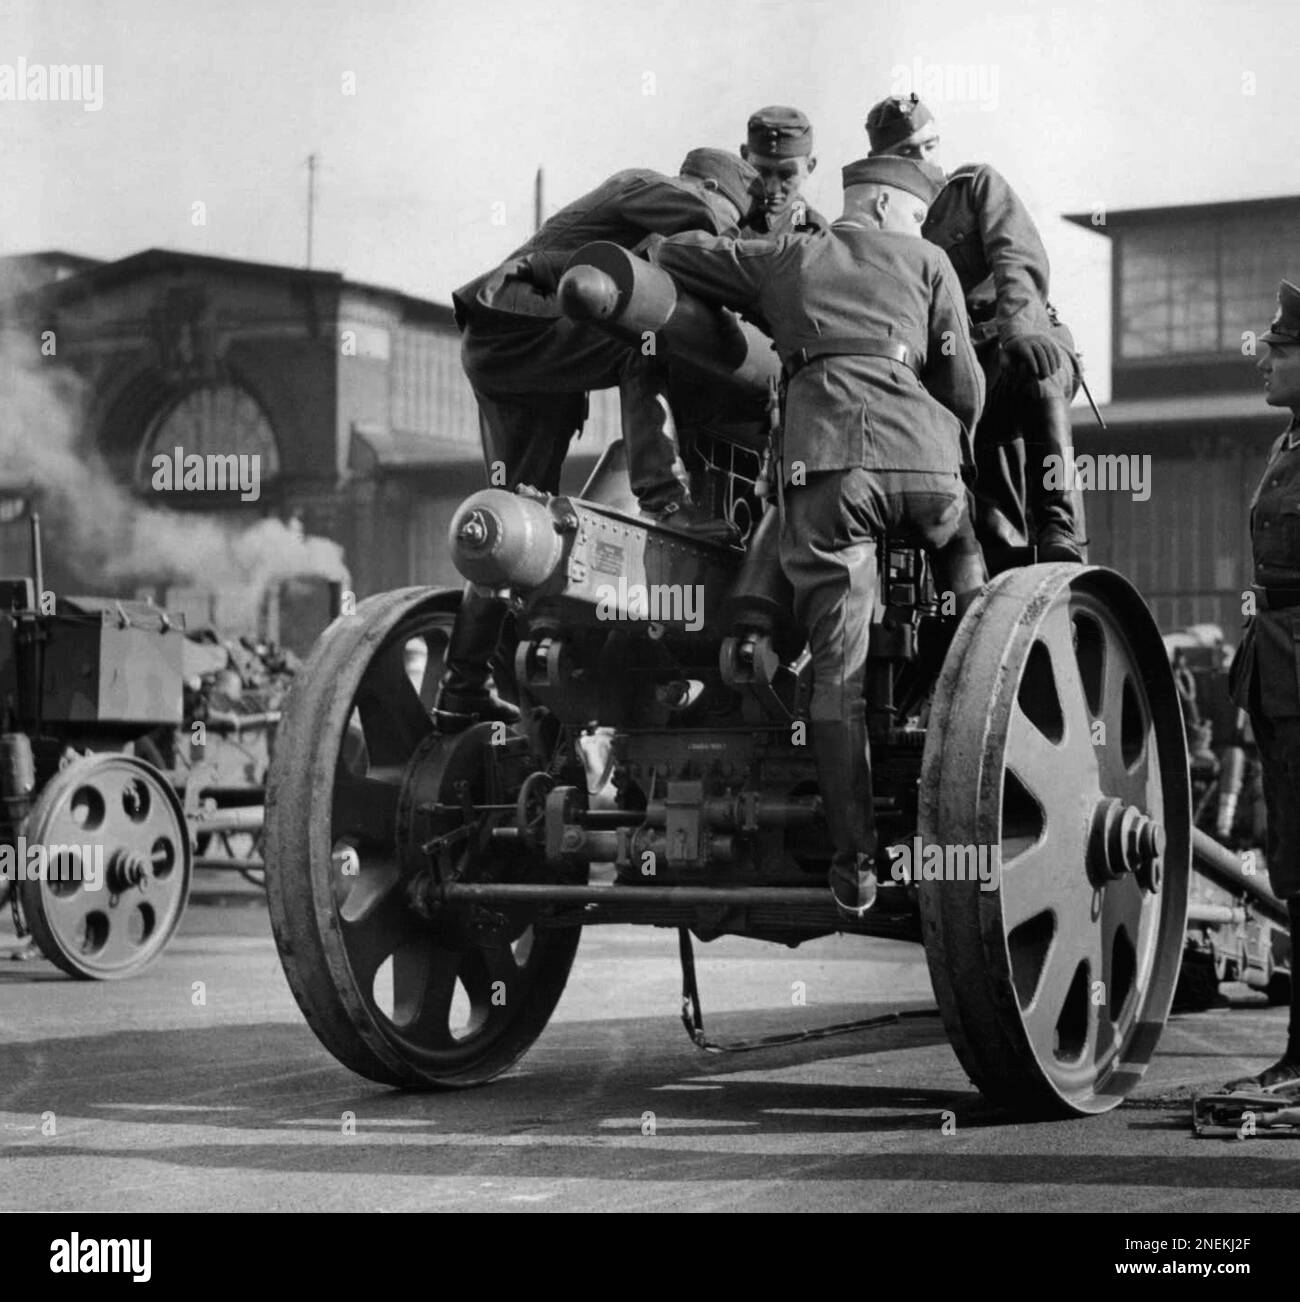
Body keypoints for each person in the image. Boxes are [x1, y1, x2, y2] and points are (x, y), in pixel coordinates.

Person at [651, 155, 985, 916]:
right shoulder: (931, 261)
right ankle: (972, 688)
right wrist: (945, 445)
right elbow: (963, 383)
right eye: (913, 213)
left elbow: (684, 257)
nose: (919, 227)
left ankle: (855, 862)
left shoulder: (794, 256)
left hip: (829, 471)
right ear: (886, 207)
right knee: (964, 555)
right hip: (926, 465)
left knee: (838, 676)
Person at [436, 149, 757, 731]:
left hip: (504, 352)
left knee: (512, 524)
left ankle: (462, 688)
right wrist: (761, 242)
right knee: (644, 339)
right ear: (708, 182)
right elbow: (708, 215)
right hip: (523, 320)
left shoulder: (633, 213)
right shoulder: (644, 185)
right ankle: (666, 500)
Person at [865, 93, 1087, 568]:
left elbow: (1016, 257)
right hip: (948, 387)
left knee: (1041, 370)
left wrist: (1023, 328)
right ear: (881, 162)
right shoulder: (884, 224)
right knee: (991, 535)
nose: (925, 162)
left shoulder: (973, 187)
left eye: (930, 146)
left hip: (1006, 357)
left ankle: (1059, 526)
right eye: (908, 154)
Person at [1226, 279, 1300, 1090]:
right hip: (1281, 667)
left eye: (1280, 351)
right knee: (1293, 865)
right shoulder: (1289, 443)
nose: (1266, 361)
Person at [738, 105, 827, 237]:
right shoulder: (723, 216)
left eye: (786, 175)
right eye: (761, 172)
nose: (772, 188)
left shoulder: (809, 229)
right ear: (744, 157)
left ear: (809, 167)